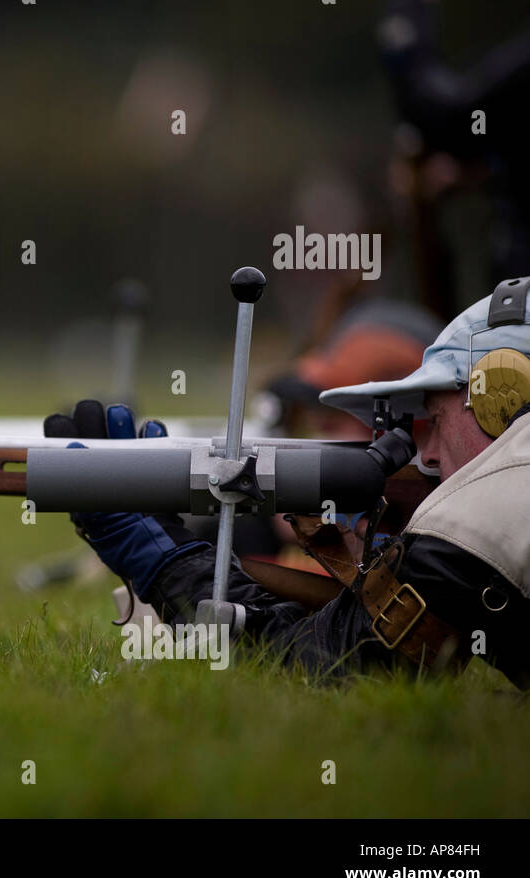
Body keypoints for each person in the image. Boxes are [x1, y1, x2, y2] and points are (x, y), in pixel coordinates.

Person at [49, 278, 530, 688]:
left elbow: (328, 666)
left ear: (504, 401)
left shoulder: (489, 504)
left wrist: (167, 564)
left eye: (435, 419)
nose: (424, 454)